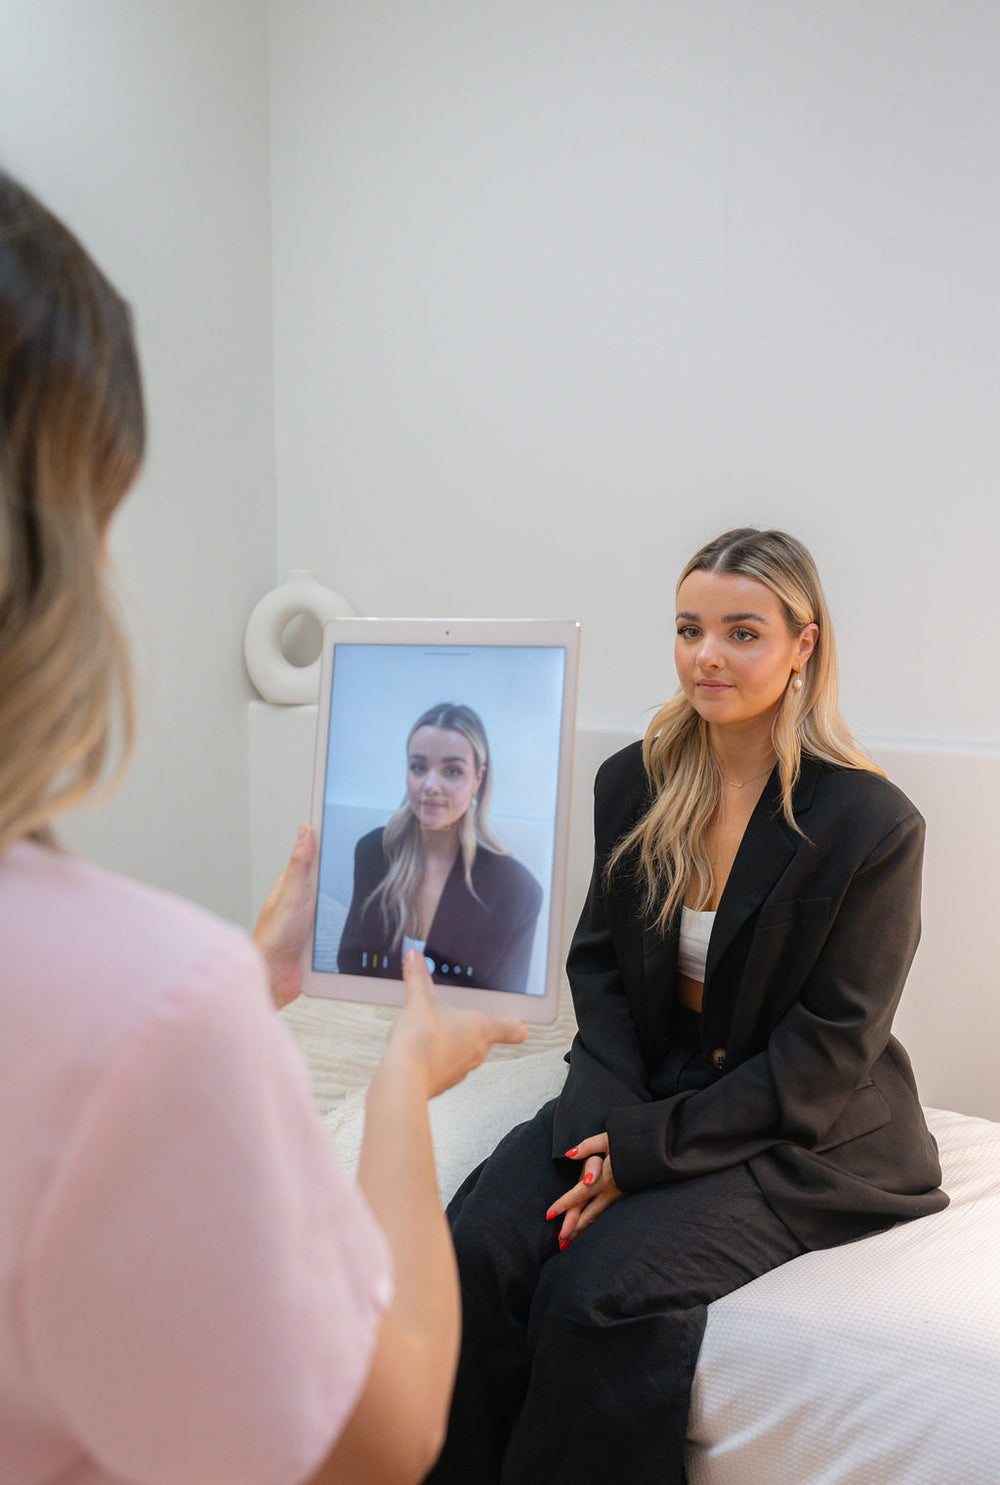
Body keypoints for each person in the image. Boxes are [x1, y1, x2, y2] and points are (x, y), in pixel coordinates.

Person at [0, 170, 528, 1485]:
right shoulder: (164, 987)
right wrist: (402, 1076)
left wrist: (247, 983)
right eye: (101, 520)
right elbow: (382, 1436)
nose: (429, 783)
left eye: (451, 764)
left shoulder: (509, 892)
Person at [426, 527, 948, 1485]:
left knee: (597, 1290)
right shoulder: (635, 781)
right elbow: (604, 975)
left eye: (742, 632)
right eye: (689, 628)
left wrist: (641, 1155)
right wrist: (604, 1131)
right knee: (476, 1247)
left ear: (805, 643)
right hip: (649, 1082)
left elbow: (823, 1057)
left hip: (803, 1126)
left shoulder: (871, 826)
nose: (707, 655)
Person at [338, 702, 543, 994]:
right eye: (419, 767)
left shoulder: (517, 891)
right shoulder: (373, 851)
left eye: (452, 770)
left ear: (478, 779)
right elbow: (349, 965)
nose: (431, 785)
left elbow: (503, 1006)